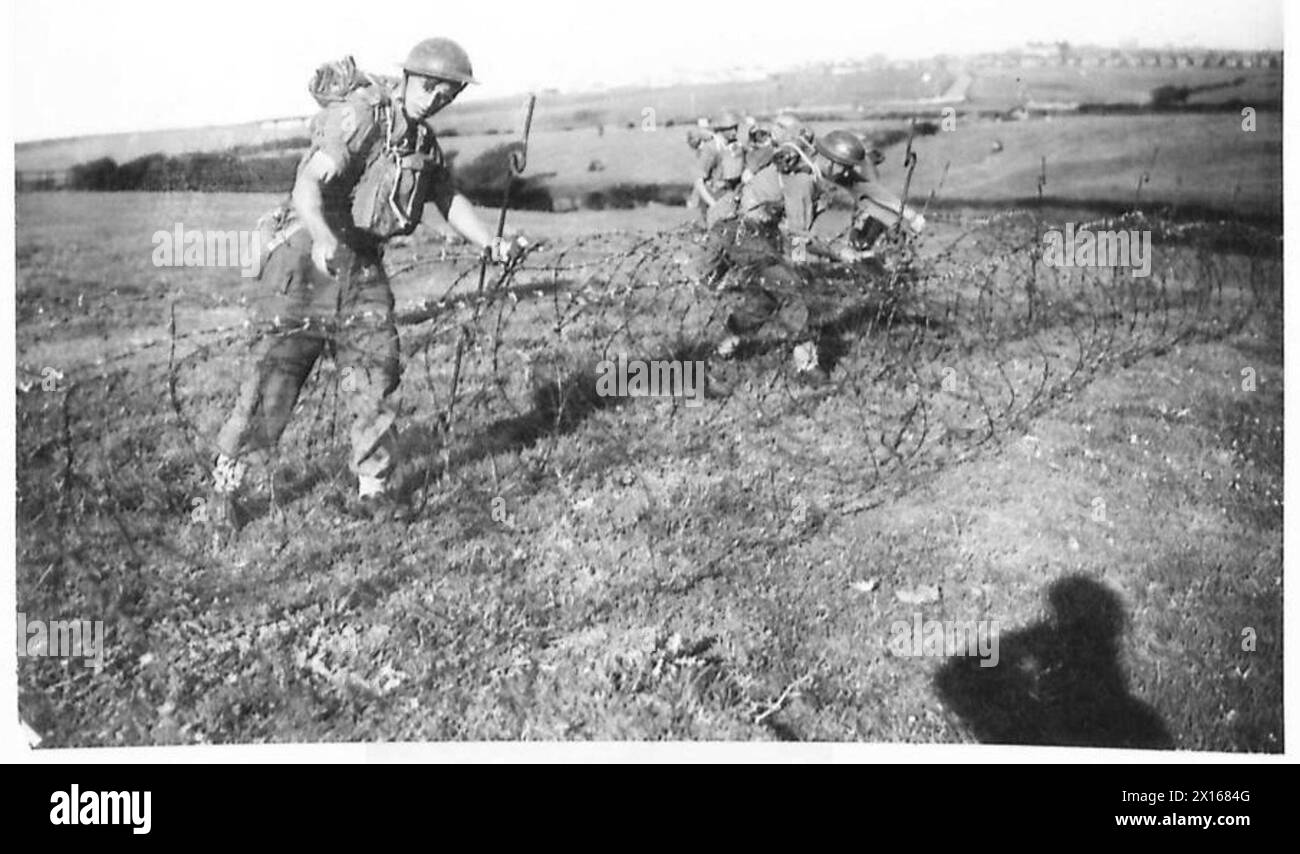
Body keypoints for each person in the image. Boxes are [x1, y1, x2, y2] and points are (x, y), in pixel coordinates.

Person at [209, 37, 522, 530]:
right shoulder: (361, 117)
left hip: (363, 266)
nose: (437, 96)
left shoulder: (422, 143)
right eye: (430, 84)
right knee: (276, 380)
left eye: (449, 91)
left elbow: (446, 196)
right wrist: (319, 238)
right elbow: (307, 185)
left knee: (377, 373)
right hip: (307, 260)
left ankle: (372, 490)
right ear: (408, 78)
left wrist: (490, 243)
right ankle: (225, 492)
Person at [691, 110, 747, 226]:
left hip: (732, 196)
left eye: (735, 127)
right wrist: (713, 204)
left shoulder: (737, 146)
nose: (734, 131)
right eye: (730, 128)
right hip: (714, 196)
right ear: (720, 129)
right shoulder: (711, 148)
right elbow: (699, 181)